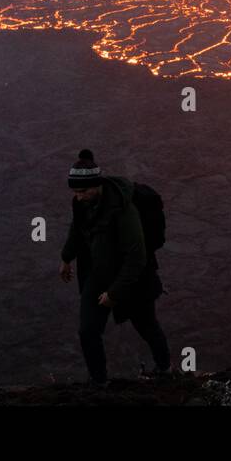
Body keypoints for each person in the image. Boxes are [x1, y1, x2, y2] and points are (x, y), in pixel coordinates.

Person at [58, 149, 171, 384]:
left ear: (97, 184)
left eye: (83, 191)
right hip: (97, 275)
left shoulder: (123, 210)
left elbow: (137, 257)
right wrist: (66, 258)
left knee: (147, 326)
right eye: (75, 192)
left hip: (133, 280)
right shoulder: (81, 203)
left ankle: (166, 370)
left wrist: (114, 293)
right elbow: (77, 230)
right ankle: (99, 383)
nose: (78, 196)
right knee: (88, 331)